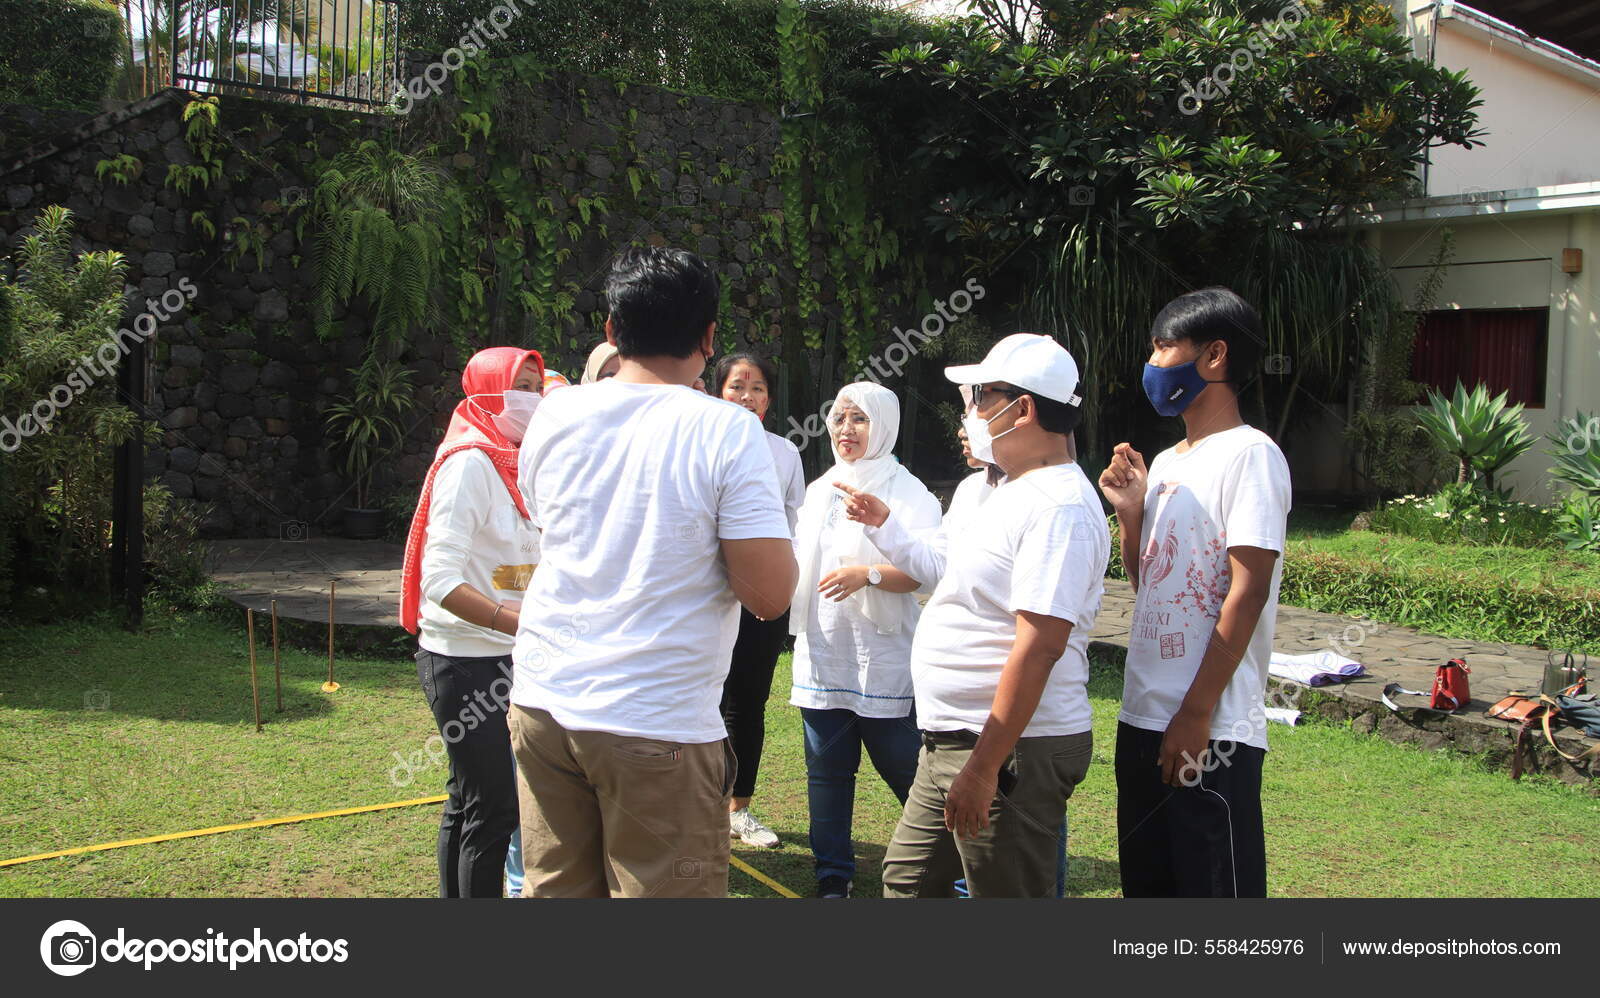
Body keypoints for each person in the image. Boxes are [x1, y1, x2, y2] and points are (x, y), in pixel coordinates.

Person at [509, 247, 797, 898]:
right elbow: (769, 594)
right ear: (708, 338)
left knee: (554, 893)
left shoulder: (554, 414)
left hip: (544, 705)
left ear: (612, 330)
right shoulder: (727, 431)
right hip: (653, 721)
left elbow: (549, 522)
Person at [844, 333, 1106, 898]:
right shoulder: (1005, 492)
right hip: (953, 735)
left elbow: (1040, 646)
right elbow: (952, 578)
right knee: (908, 883)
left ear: (1024, 409)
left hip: (1009, 748)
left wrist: (985, 767)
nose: (973, 411)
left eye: (983, 396)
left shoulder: (1058, 507)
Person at [1098, 287, 1291, 899]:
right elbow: (1151, 584)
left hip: (1213, 726)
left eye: (1163, 346)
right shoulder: (1169, 461)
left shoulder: (1251, 455)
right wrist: (1132, 515)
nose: (1153, 363)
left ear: (1214, 356)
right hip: (1143, 715)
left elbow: (1249, 589)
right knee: (1150, 888)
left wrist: (1197, 712)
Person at [399, 346, 545, 898]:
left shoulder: (517, 460)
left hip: (505, 653)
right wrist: (515, 621)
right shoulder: (469, 463)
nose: (533, 397)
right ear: (486, 391)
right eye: (520, 385)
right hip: (462, 658)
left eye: (537, 385)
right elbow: (439, 579)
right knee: (495, 808)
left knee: (469, 801)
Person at [789, 381, 941, 898]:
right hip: (825, 653)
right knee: (827, 774)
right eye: (839, 417)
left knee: (908, 770)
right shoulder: (820, 488)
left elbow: (928, 573)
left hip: (882, 656)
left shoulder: (907, 490)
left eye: (859, 419)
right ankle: (833, 874)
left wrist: (868, 574)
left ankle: (946, 864)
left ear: (884, 426)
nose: (845, 429)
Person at [712, 352, 805, 849]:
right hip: (705, 598)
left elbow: (790, 525)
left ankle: (738, 809)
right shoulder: (698, 443)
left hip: (760, 598)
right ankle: (697, 806)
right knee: (702, 698)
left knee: (748, 703)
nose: (748, 397)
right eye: (737, 387)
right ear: (716, 392)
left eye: (758, 388)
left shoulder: (784, 453)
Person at [502, 367, 572, 900]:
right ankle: (517, 871)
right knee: (512, 785)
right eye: (522, 390)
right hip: (516, 640)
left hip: (560, 647)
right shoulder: (477, 462)